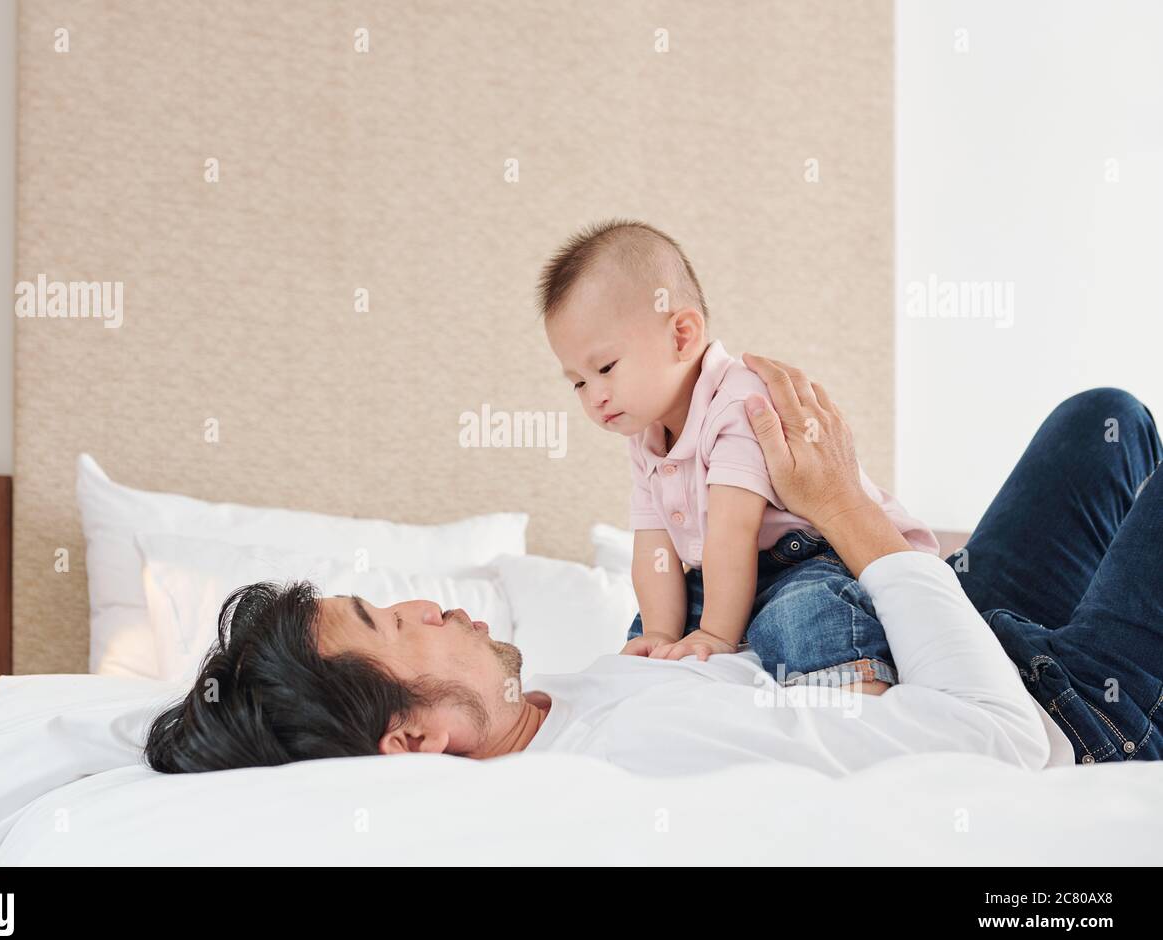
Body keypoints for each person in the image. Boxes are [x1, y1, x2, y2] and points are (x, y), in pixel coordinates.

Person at [144, 355, 1162, 776]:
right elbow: (994, 737)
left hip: (971, 628)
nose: (425, 602)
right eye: (389, 621)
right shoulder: (638, 756)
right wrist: (847, 509)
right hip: (1058, 713)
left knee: (1103, 421)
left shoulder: (571, 691)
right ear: (408, 735)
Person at [540, 218, 937, 693]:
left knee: (799, 613)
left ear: (682, 335)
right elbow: (654, 550)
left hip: (818, 556)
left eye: (605, 367)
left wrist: (715, 636)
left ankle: (858, 686)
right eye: (579, 382)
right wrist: (661, 635)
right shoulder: (646, 437)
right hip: (730, 570)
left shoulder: (738, 400)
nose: (594, 396)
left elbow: (732, 532)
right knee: (647, 630)